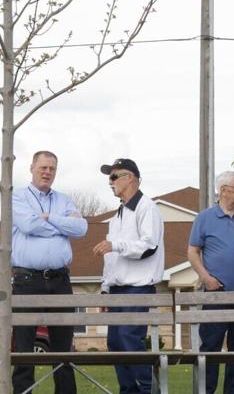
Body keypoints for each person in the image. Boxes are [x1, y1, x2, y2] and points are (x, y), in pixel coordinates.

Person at [11, 150, 87, 394]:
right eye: (43, 167)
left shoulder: (63, 199)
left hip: (60, 280)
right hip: (27, 280)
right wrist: (61, 225)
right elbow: (28, 225)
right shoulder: (17, 197)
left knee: (63, 348)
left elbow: (81, 227)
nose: (47, 172)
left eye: (52, 169)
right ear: (31, 168)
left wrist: (48, 217)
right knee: (24, 348)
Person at [94, 158, 165, 394]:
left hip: (138, 289)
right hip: (118, 290)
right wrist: (105, 288)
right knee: (115, 343)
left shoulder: (147, 208)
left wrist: (116, 245)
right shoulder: (119, 214)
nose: (110, 182)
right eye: (109, 177)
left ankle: (148, 390)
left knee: (128, 339)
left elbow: (148, 246)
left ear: (130, 178)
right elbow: (111, 256)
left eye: (114, 177)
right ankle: (128, 391)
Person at [187, 170, 234, 394]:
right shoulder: (205, 218)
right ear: (223, 190)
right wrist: (206, 278)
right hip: (216, 294)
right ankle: (205, 391)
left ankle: (233, 392)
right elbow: (193, 252)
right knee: (211, 347)